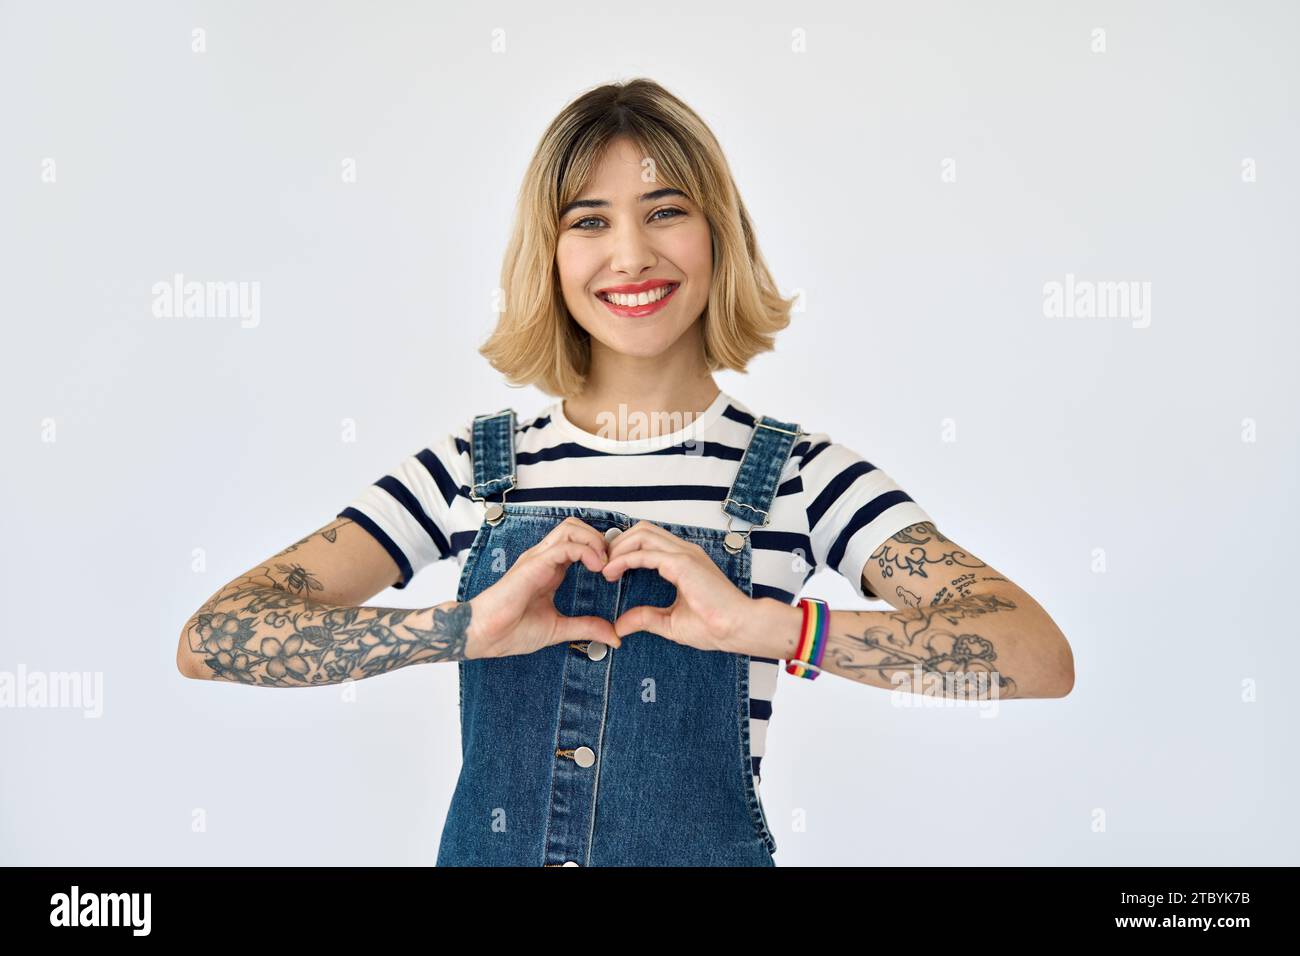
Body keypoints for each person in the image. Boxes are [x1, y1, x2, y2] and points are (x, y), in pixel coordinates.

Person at [177, 78, 1075, 867]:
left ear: (720, 236)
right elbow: (212, 638)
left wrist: (770, 627)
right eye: (589, 221)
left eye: (666, 210)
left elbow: (1035, 656)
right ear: (551, 253)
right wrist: (464, 627)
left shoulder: (802, 477)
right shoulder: (473, 469)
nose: (632, 254)